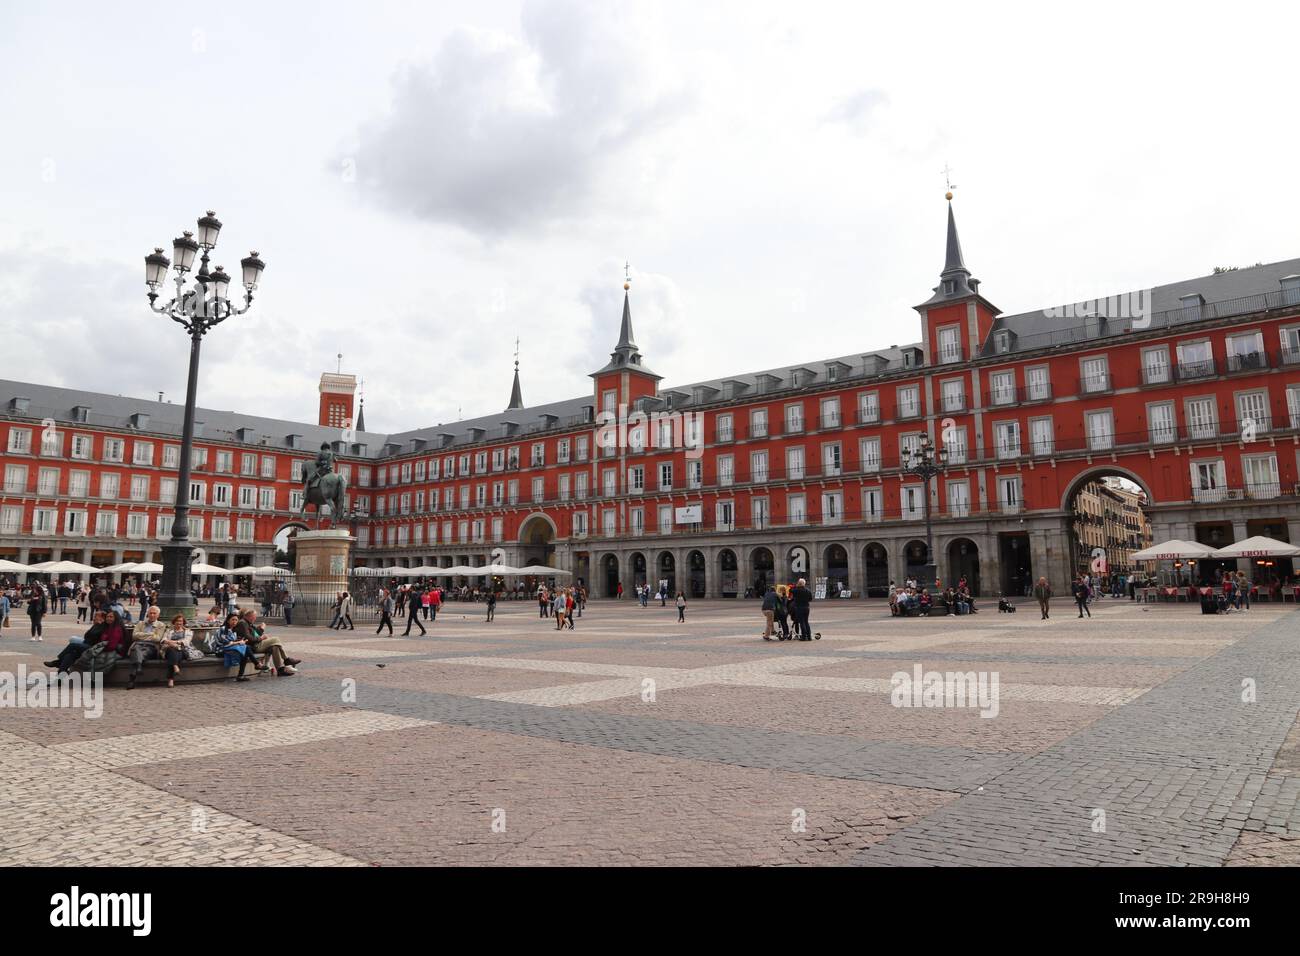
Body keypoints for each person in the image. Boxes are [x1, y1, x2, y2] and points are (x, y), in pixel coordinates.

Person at [47, 609, 106, 674]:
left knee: (73, 645)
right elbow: (86, 635)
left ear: (102, 618)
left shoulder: (103, 626)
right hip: (86, 644)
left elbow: (95, 637)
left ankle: (58, 662)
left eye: (96, 616)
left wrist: (97, 627)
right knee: (70, 655)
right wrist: (95, 626)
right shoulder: (96, 625)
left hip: (93, 647)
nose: (94, 617)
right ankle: (60, 675)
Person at [212, 612, 266, 681]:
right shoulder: (223, 629)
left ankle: (241, 675)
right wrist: (239, 642)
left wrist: (241, 641)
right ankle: (256, 664)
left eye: (236, 620)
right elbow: (226, 643)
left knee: (245, 650)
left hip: (229, 649)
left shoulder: (233, 630)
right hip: (220, 650)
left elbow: (232, 642)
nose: (234, 622)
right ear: (228, 620)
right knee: (246, 648)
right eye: (233, 620)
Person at [159, 614, 201, 688]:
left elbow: (186, 642)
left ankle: (171, 678)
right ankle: (175, 667)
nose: (179, 623)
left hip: (182, 650)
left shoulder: (188, 631)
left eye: (181, 621)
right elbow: (163, 640)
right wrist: (170, 644)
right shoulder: (169, 631)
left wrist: (173, 642)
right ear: (174, 622)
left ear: (183, 622)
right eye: (177, 621)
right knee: (172, 651)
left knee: (174, 653)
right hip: (169, 649)